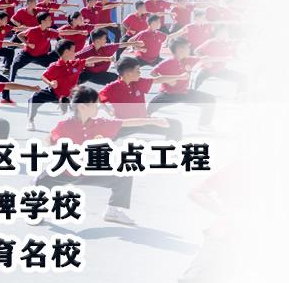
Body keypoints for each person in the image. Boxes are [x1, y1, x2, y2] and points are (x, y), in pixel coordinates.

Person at [33, 86, 172, 226]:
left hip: (91, 171)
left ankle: (112, 211)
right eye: (95, 103)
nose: (98, 106)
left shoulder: (100, 123)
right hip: (66, 172)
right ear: (82, 107)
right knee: (42, 180)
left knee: (124, 175)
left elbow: (126, 122)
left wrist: (152, 121)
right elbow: (48, 139)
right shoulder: (64, 125)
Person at [26, 40, 114, 131]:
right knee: (34, 97)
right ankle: (30, 121)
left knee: (88, 98)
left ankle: (95, 118)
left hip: (71, 96)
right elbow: (43, 76)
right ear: (66, 52)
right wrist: (50, 83)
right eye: (73, 50)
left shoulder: (75, 64)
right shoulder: (54, 66)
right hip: (54, 93)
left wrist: (106, 58)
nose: (75, 52)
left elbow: (89, 59)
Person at [97, 57, 186, 141]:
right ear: (128, 73)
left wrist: (180, 77)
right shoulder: (112, 88)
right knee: (100, 139)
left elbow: (158, 79)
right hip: (125, 124)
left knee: (175, 125)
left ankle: (171, 149)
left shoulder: (139, 82)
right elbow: (97, 97)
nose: (140, 73)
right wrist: (108, 110)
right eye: (138, 70)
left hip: (143, 121)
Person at [147, 38, 217, 129]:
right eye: (187, 48)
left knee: (210, 99)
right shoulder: (168, 62)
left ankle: (204, 124)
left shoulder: (189, 60)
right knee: (150, 106)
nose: (189, 49)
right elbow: (153, 72)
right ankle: (145, 121)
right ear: (179, 49)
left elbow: (203, 60)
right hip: (168, 94)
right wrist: (167, 80)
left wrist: (207, 61)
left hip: (184, 92)